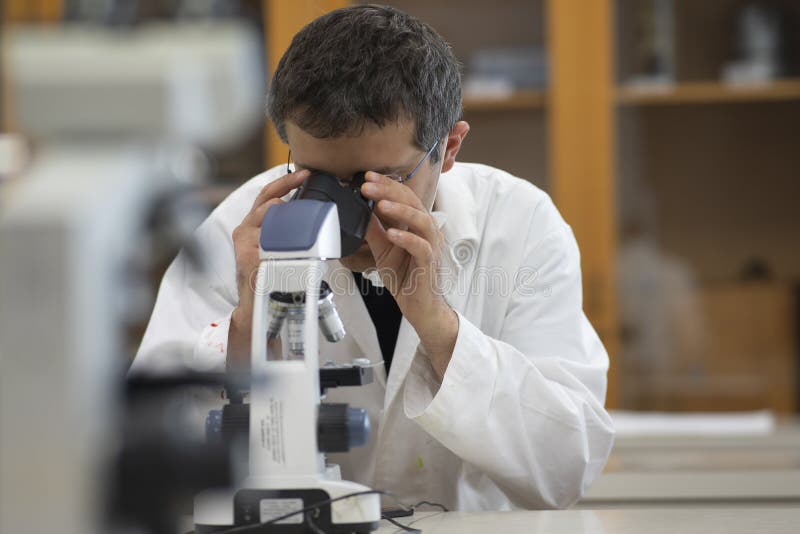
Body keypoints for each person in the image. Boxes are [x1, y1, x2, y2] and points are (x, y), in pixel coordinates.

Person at [131, 5, 614, 510]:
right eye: (319, 178)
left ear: (448, 148)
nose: (348, 218)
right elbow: (143, 447)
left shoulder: (520, 224)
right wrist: (247, 329)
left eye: (376, 183)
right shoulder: (243, 228)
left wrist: (440, 330)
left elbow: (565, 467)